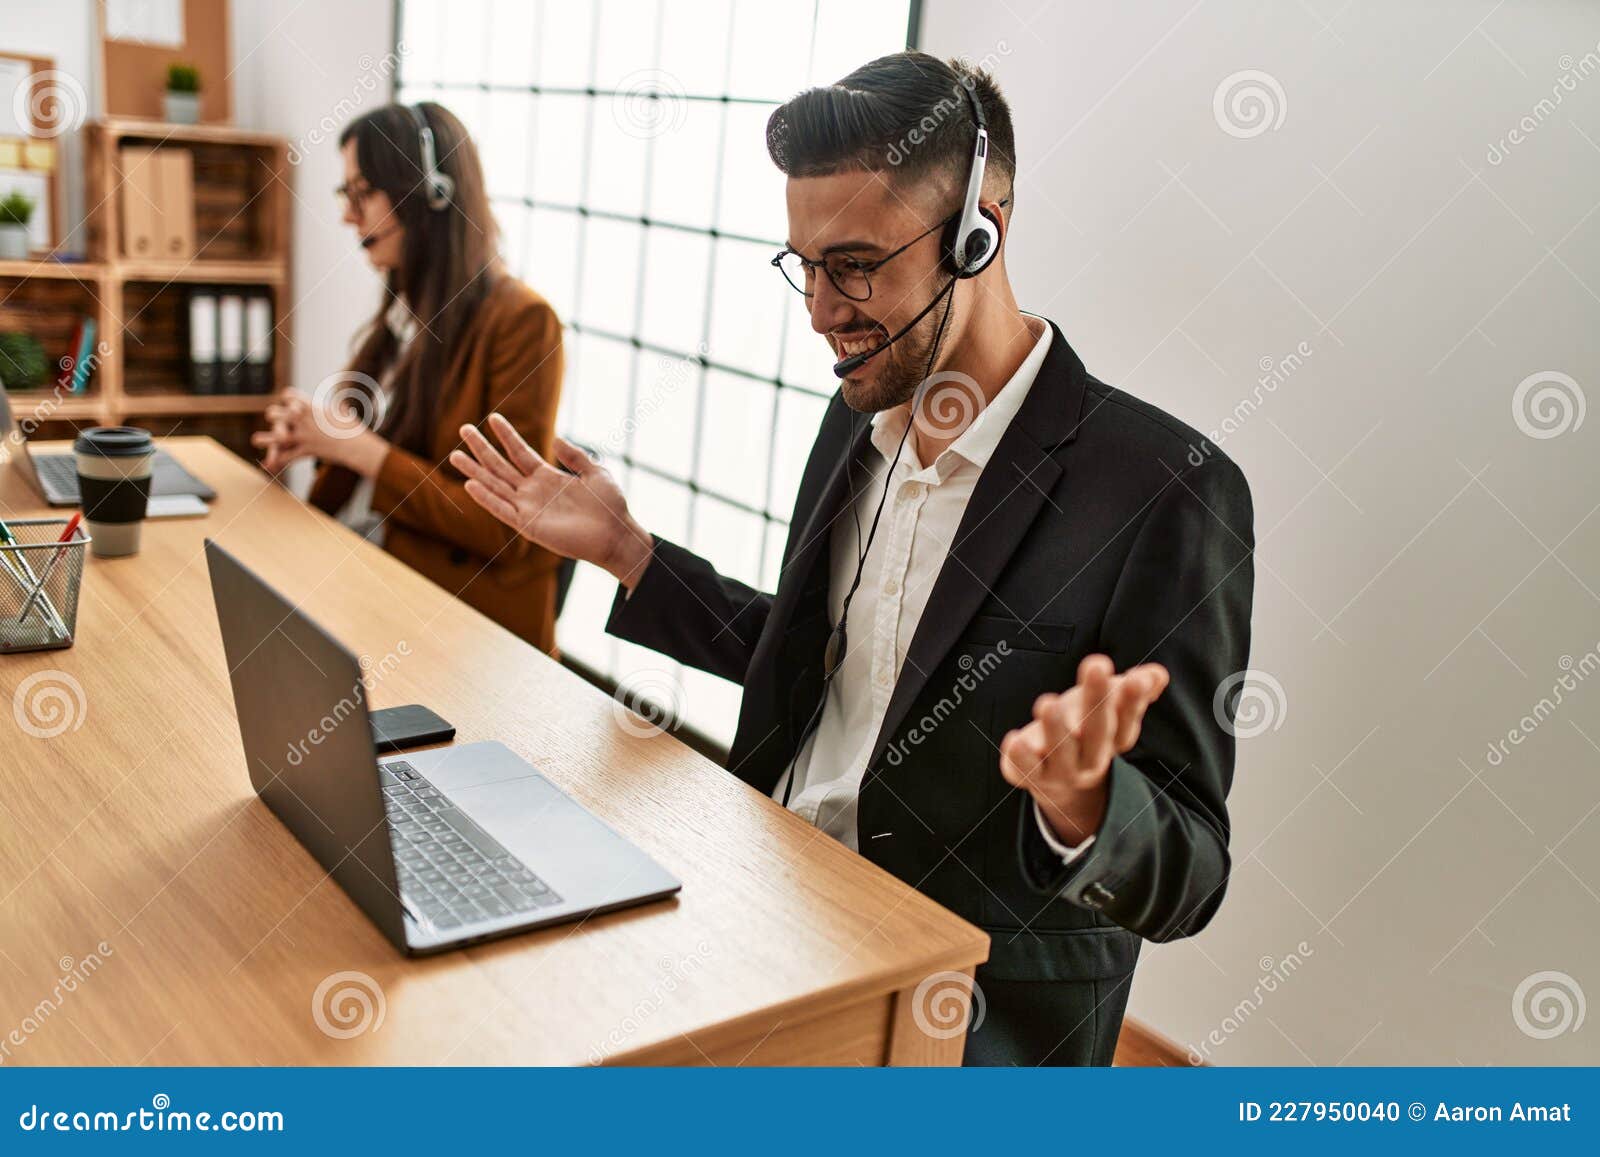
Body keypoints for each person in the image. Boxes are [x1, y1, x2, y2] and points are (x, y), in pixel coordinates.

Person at [452, 52, 1255, 1066]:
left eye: (855, 265)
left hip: (960, 1014)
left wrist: (1084, 806)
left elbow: (1193, 873)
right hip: (769, 908)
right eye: (804, 264)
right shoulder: (857, 420)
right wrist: (627, 549)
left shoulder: (1162, 489)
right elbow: (821, 661)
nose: (820, 311)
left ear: (978, 237)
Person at [254, 102, 566, 652]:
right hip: (372, 588)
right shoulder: (406, 308)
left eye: (362, 193)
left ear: (432, 194)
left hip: (459, 632)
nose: (350, 216)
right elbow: (367, 466)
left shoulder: (522, 322)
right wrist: (314, 435)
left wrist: (359, 450)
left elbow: (502, 527)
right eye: (344, 195)